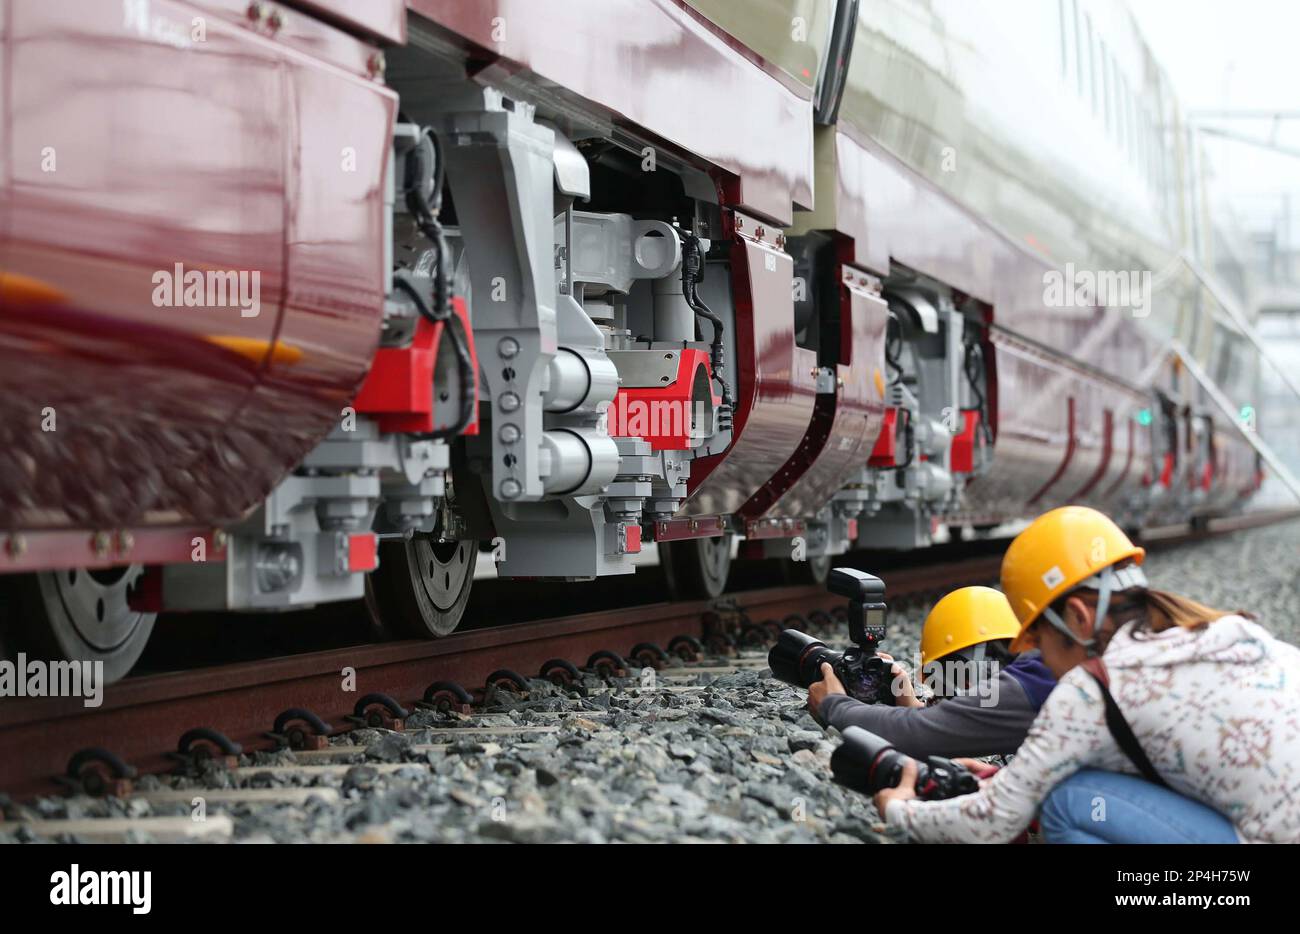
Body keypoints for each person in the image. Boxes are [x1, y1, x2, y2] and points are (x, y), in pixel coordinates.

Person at [873, 506, 1300, 844]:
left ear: (1077, 618)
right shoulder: (1222, 632)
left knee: (1070, 803)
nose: (1037, 660)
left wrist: (900, 810)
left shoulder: (1093, 688)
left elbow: (995, 822)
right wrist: (1005, 780)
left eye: (1038, 643)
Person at [808, 586, 1055, 758]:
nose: (942, 699)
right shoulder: (1043, 672)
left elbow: (923, 734)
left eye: (945, 690)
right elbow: (950, 727)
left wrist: (835, 705)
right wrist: (912, 706)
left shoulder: (1022, 691)